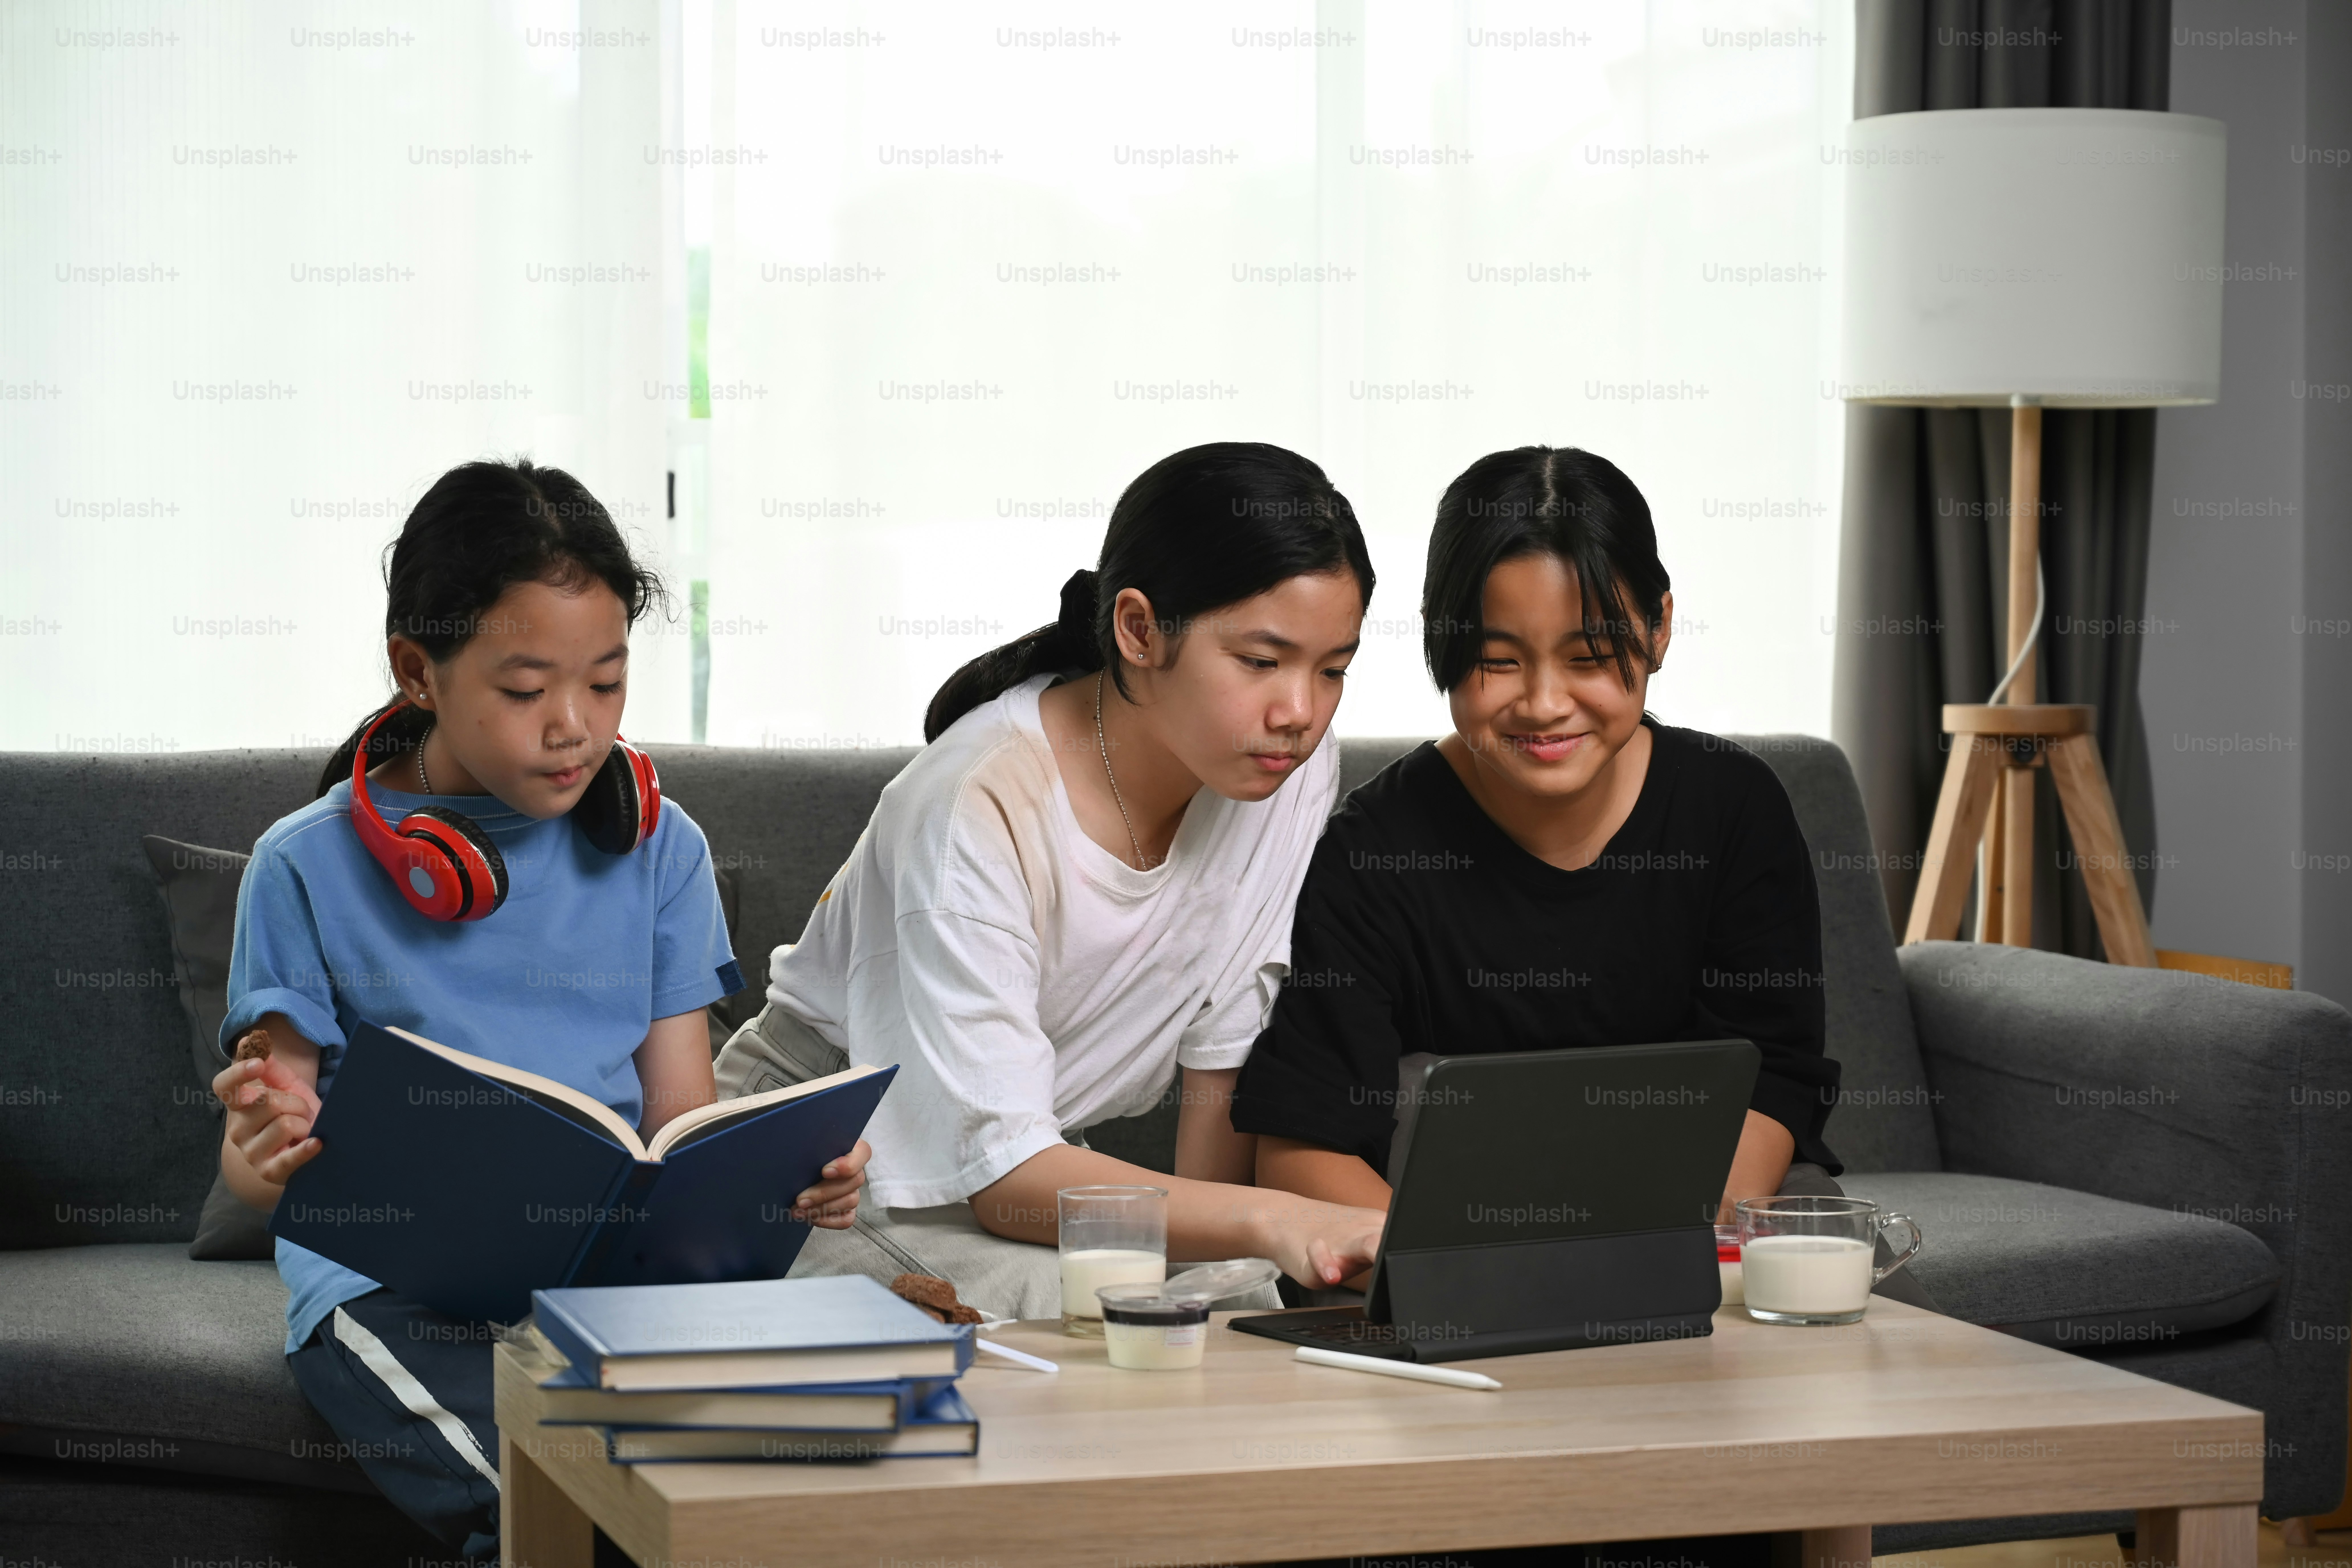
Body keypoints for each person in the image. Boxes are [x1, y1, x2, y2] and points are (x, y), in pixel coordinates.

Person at [212, 460, 871, 1560]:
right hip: (390, 1290)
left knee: (797, 1479)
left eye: (606, 684)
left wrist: (781, 1181)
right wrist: (260, 1145)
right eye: (526, 692)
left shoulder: (665, 848)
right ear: (416, 671)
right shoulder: (302, 867)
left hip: (607, 1286)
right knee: (559, 1502)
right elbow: (255, 1172)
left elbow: (679, 1124)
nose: (574, 727)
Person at [714, 442, 1388, 1318]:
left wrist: (1237, 1273)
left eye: (1332, 669)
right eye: (1261, 662)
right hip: (816, 1175)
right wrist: (1279, 1219)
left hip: (1005, 1169)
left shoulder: (1283, 773)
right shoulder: (976, 803)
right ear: (1140, 629)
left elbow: (1223, 1062)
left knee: (1233, 1316)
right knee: (1098, 1313)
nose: (1301, 711)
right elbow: (1002, 1181)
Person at [1235, 443, 1892, 1244]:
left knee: (1878, 1336)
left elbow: (1775, 1075)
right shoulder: (1374, 851)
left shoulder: (1732, 809)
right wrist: (1477, 1267)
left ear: (1659, 629)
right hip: (1441, 1233)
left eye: (1587, 658)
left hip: (1713, 1209)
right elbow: (1303, 1149)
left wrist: (1661, 1244)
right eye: (1499, 661)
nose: (1545, 705)